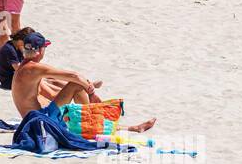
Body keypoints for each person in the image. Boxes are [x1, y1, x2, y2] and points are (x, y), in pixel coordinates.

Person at [11, 32, 155, 132]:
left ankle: (108, 121)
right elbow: (73, 76)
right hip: (40, 122)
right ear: (40, 50)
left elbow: (54, 86)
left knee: (75, 97)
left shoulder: (24, 68)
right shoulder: (34, 68)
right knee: (76, 85)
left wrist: (87, 86)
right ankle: (100, 119)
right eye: (45, 48)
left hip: (34, 119)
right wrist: (91, 92)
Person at [0, 25, 36, 90]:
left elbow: (26, 57)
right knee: (37, 81)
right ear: (21, 40)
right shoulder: (9, 49)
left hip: (14, 76)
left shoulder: (15, 45)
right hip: (8, 82)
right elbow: (19, 69)